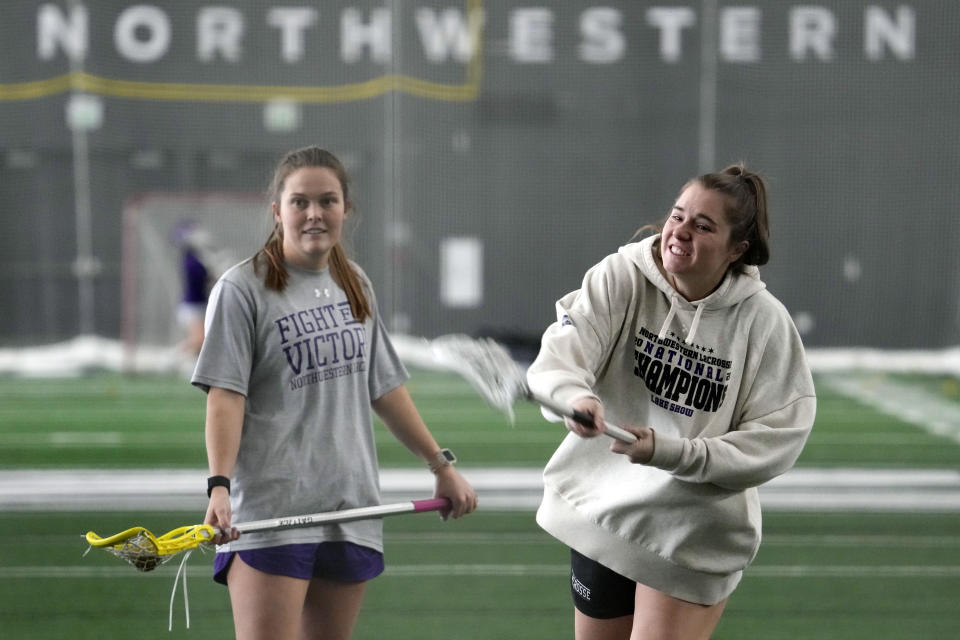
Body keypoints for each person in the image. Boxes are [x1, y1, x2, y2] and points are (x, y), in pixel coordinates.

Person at [191, 145, 477, 640]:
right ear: (276, 211)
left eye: (327, 201)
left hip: (351, 510)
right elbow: (225, 396)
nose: (314, 214)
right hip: (273, 513)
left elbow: (385, 388)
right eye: (300, 202)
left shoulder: (355, 283)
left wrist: (441, 465)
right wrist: (218, 486)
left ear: (346, 209)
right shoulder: (241, 290)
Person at [527, 164, 816, 639]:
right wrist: (574, 395)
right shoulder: (621, 276)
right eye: (677, 216)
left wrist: (671, 452)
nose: (680, 232)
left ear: (737, 249)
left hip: (693, 536)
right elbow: (562, 355)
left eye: (703, 226)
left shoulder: (765, 323)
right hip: (605, 516)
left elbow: (775, 440)